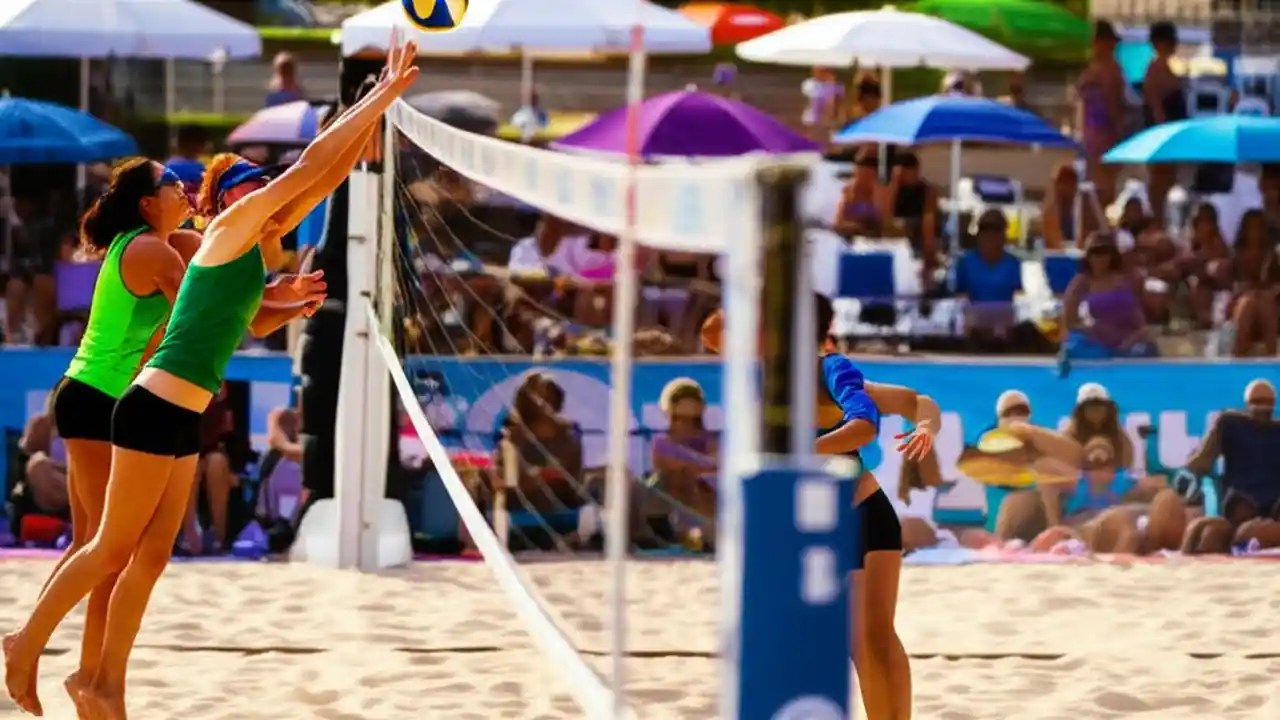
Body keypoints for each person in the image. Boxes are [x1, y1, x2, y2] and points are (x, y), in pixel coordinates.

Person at [2, 37, 420, 719]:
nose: (268, 188)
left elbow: (324, 178)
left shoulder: (248, 254)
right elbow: (311, 164)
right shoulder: (229, 227)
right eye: (254, 180)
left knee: (151, 558)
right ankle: (24, 643)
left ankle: (102, 683)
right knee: (109, 546)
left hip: (180, 415)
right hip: (146, 405)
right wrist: (377, 96)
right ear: (231, 197)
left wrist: (376, 118)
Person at [9, 158, 196, 717]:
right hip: (95, 401)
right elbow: (202, 313)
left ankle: (85, 677)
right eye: (173, 185)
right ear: (146, 202)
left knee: (94, 545)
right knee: (106, 552)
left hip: (92, 396)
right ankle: (76, 671)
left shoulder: (159, 243)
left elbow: (211, 261)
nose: (184, 191)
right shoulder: (151, 250)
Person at [701, 296, 940, 720]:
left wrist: (804, 451)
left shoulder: (831, 368)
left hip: (863, 514)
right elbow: (711, 331)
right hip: (807, 523)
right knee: (833, 641)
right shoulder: (767, 376)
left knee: (872, 639)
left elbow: (870, 424)